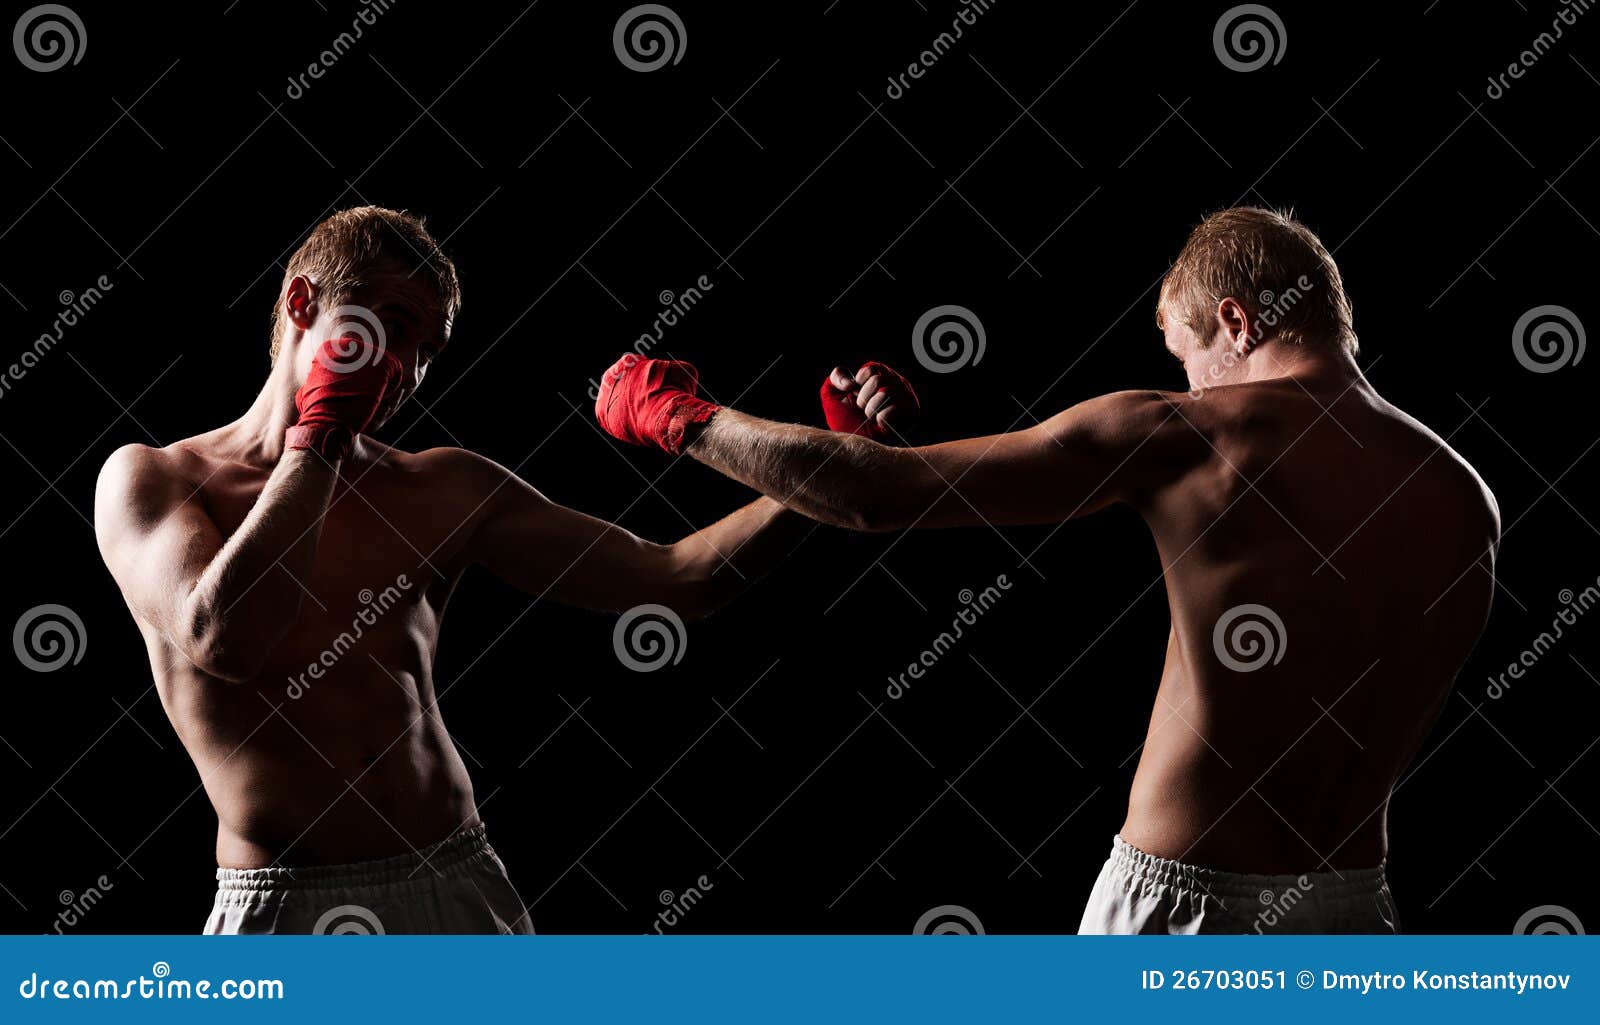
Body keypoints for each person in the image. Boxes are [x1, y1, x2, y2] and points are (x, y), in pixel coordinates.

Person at [594, 207, 1501, 934]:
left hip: (1184, 914)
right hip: (1354, 913)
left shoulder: (1196, 436)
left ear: (1236, 319)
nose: (1189, 386)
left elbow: (877, 497)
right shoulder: (1465, 495)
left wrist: (682, 415)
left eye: (1188, 360)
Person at [92, 206, 913, 934]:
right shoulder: (153, 480)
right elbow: (223, 633)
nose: (406, 371)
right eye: (392, 325)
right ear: (303, 304)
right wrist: (317, 444)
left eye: (426, 350)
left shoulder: (440, 487)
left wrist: (838, 465)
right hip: (286, 912)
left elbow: (682, 578)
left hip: (457, 889)